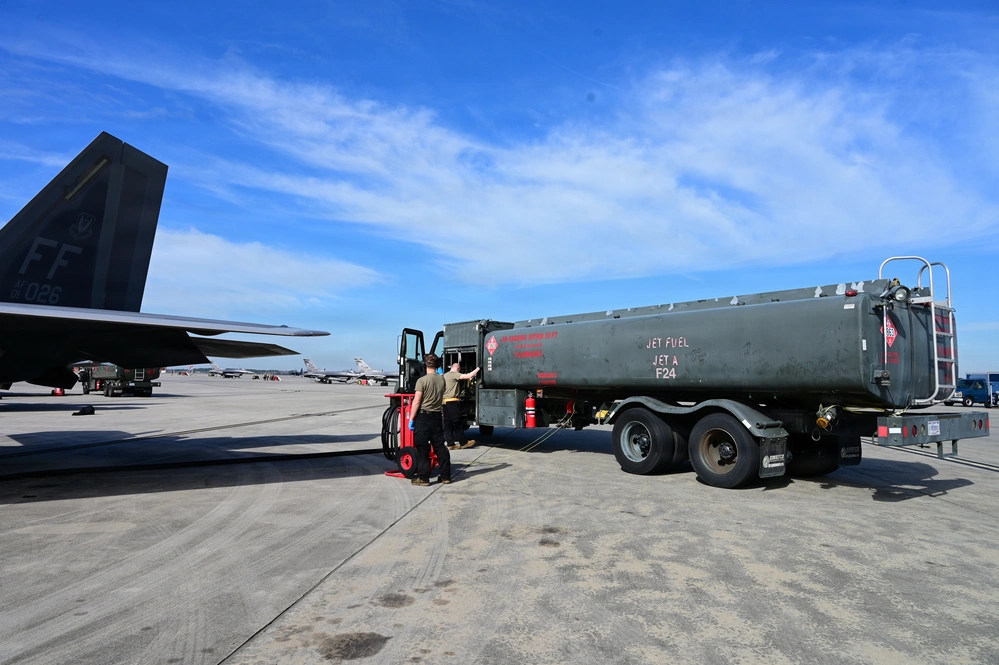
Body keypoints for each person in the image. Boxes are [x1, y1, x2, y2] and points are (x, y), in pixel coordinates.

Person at [408, 353, 450, 486]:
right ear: (437, 365)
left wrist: (412, 418)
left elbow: (417, 401)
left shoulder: (422, 381)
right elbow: (443, 391)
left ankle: (424, 478)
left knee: (422, 447)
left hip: (424, 416)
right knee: (440, 446)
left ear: (425, 365)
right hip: (437, 416)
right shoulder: (442, 380)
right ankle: (445, 476)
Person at [442, 362, 481, 450]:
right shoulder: (454, 374)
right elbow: (468, 376)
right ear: (458, 369)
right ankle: (463, 442)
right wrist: (478, 368)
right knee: (457, 423)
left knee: (447, 424)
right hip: (452, 402)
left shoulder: (444, 375)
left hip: (444, 402)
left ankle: (450, 443)